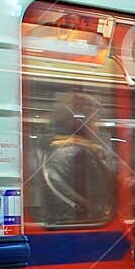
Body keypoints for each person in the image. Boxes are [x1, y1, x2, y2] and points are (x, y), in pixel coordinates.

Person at [35, 93, 114, 225]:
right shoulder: (80, 153)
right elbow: (101, 204)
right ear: (81, 123)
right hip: (84, 227)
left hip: (62, 225)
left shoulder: (53, 149)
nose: (98, 127)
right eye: (95, 120)